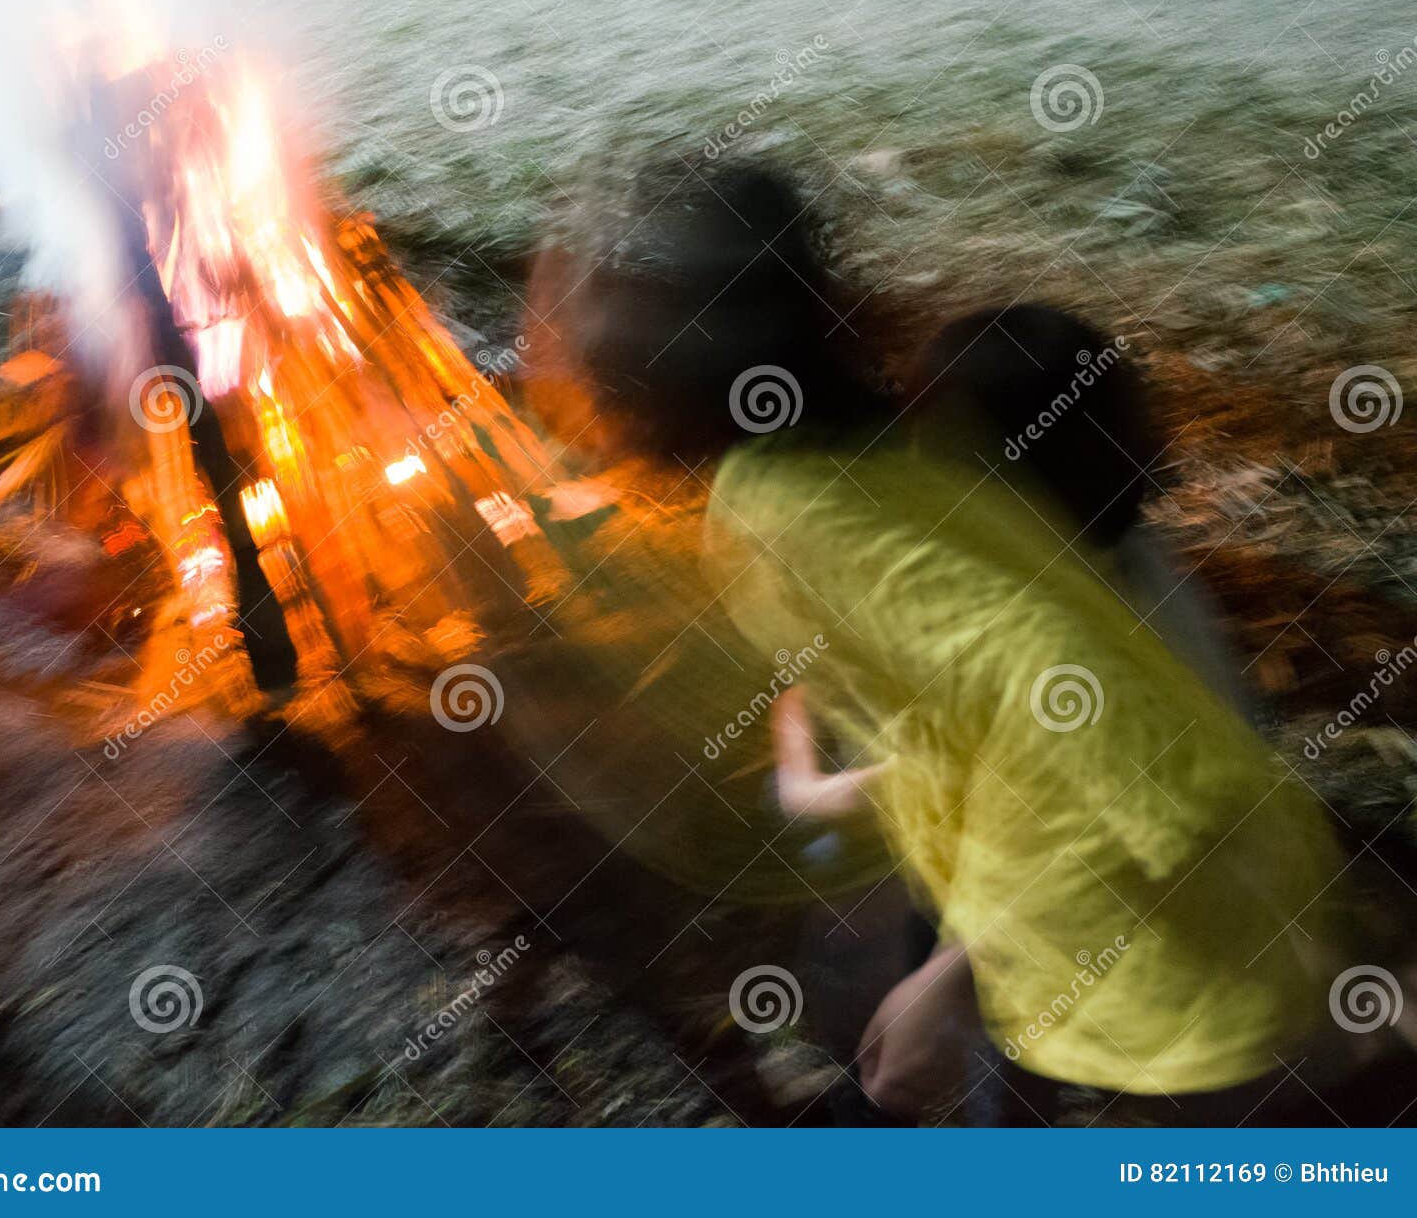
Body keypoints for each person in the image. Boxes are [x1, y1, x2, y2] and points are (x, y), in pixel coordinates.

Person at [550, 164, 1362, 1123]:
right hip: (1183, 916)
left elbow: (1115, 735)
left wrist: (956, 980)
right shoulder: (878, 450)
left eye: (575, 325)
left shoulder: (786, 513)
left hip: (1168, 957)